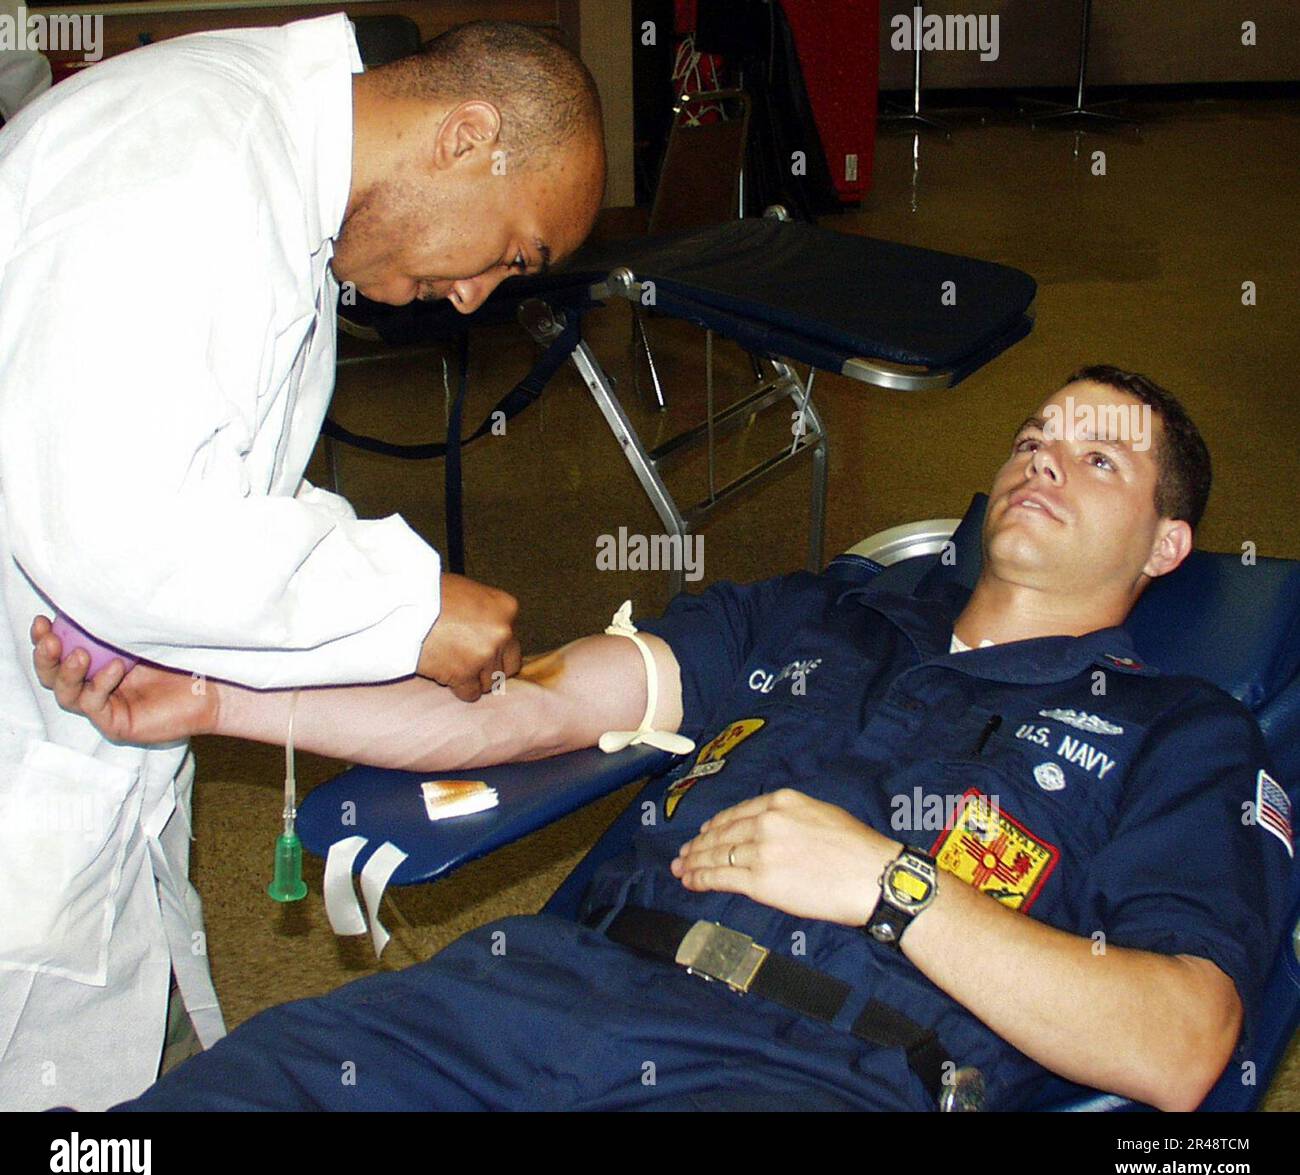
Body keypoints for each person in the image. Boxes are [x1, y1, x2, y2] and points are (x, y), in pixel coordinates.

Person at [35, 367, 1293, 1112]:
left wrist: (888, 886)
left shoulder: (1180, 732)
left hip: (798, 1073)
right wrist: (217, 701)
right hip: (528, 992)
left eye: (1097, 460)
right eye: (1031, 438)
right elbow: (523, 705)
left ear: (1167, 546)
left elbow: (1182, 1048)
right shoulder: (819, 608)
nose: (1040, 462)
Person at [0, 17, 605, 1109]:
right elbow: (117, 524)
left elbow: (228, 488)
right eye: (513, 253)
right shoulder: (184, 161)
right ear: (467, 137)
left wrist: (382, 618)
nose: (476, 298)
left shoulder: (275, 183)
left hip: (73, 741)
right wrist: (405, 606)